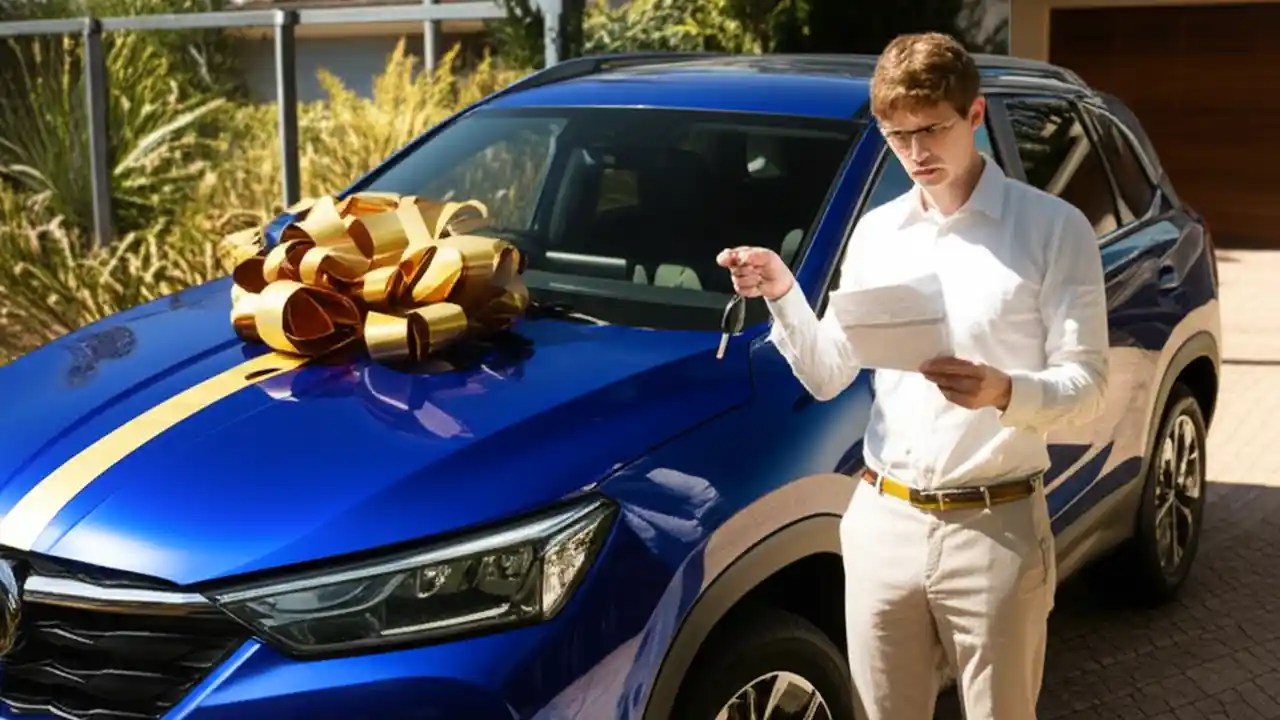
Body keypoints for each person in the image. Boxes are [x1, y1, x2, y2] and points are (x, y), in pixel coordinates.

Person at [716, 32, 1109, 720]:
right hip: (882, 520)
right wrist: (783, 293)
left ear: (976, 116)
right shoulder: (877, 232)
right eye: (898, 136)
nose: (916, 153)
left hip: (996, 522)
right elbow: (830, 373)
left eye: (932, 130)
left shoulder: (1054, 230)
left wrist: (1006, 391)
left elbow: (1089, 386)